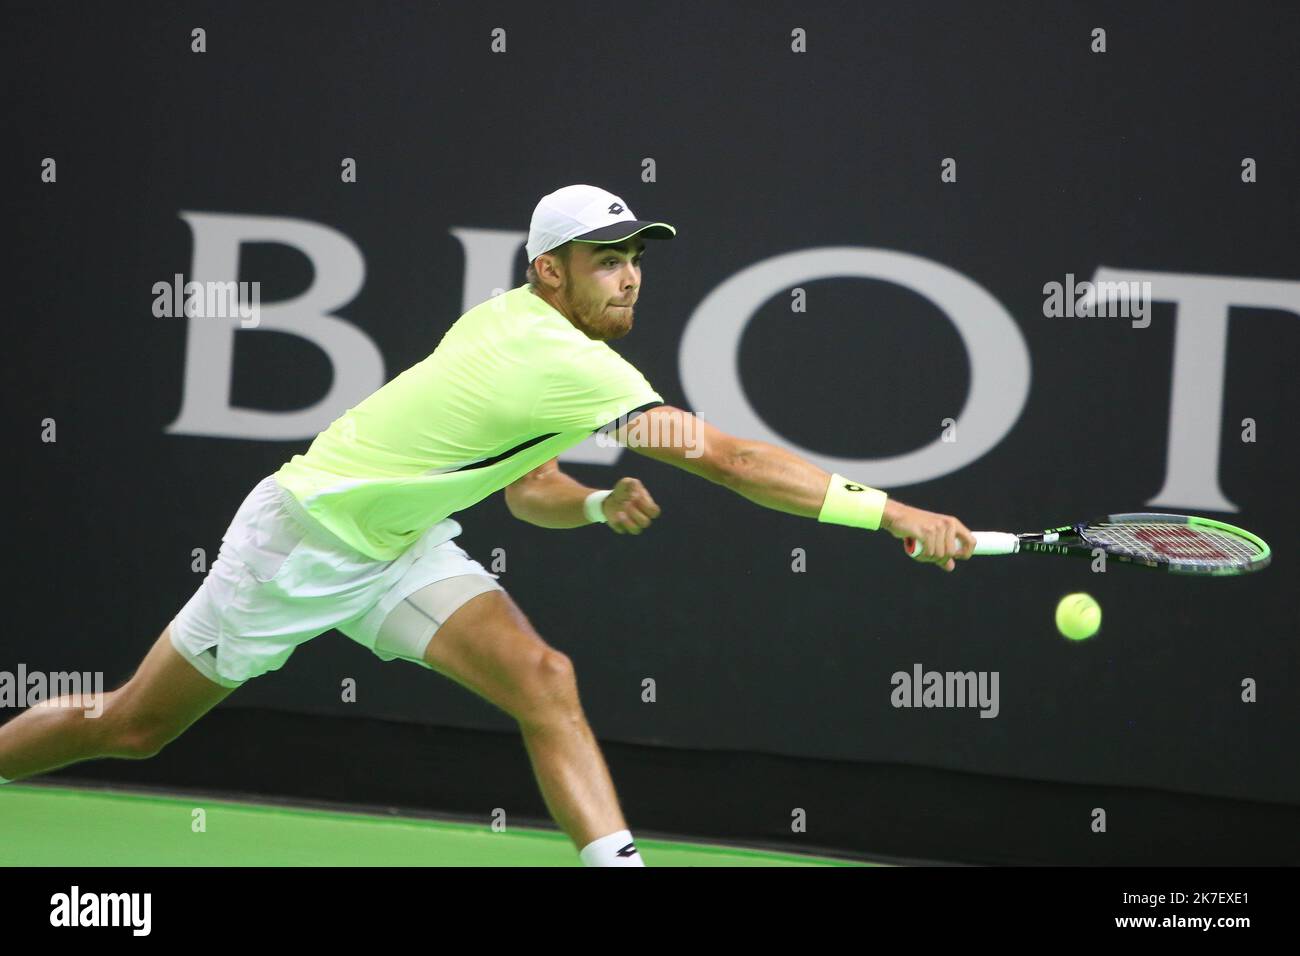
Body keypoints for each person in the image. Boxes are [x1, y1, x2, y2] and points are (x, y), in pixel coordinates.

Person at [0, 184, 975, 866]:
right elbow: (731, 460)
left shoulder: (513, 321)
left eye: (634, 260)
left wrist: (592, 502)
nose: (629, 277)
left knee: (544, 678)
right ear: (550, 272)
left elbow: (522, 487)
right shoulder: (573, 364)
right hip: (302, 542)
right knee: (130, 726)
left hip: (400, 545)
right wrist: (891, 512)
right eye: (606, 261)